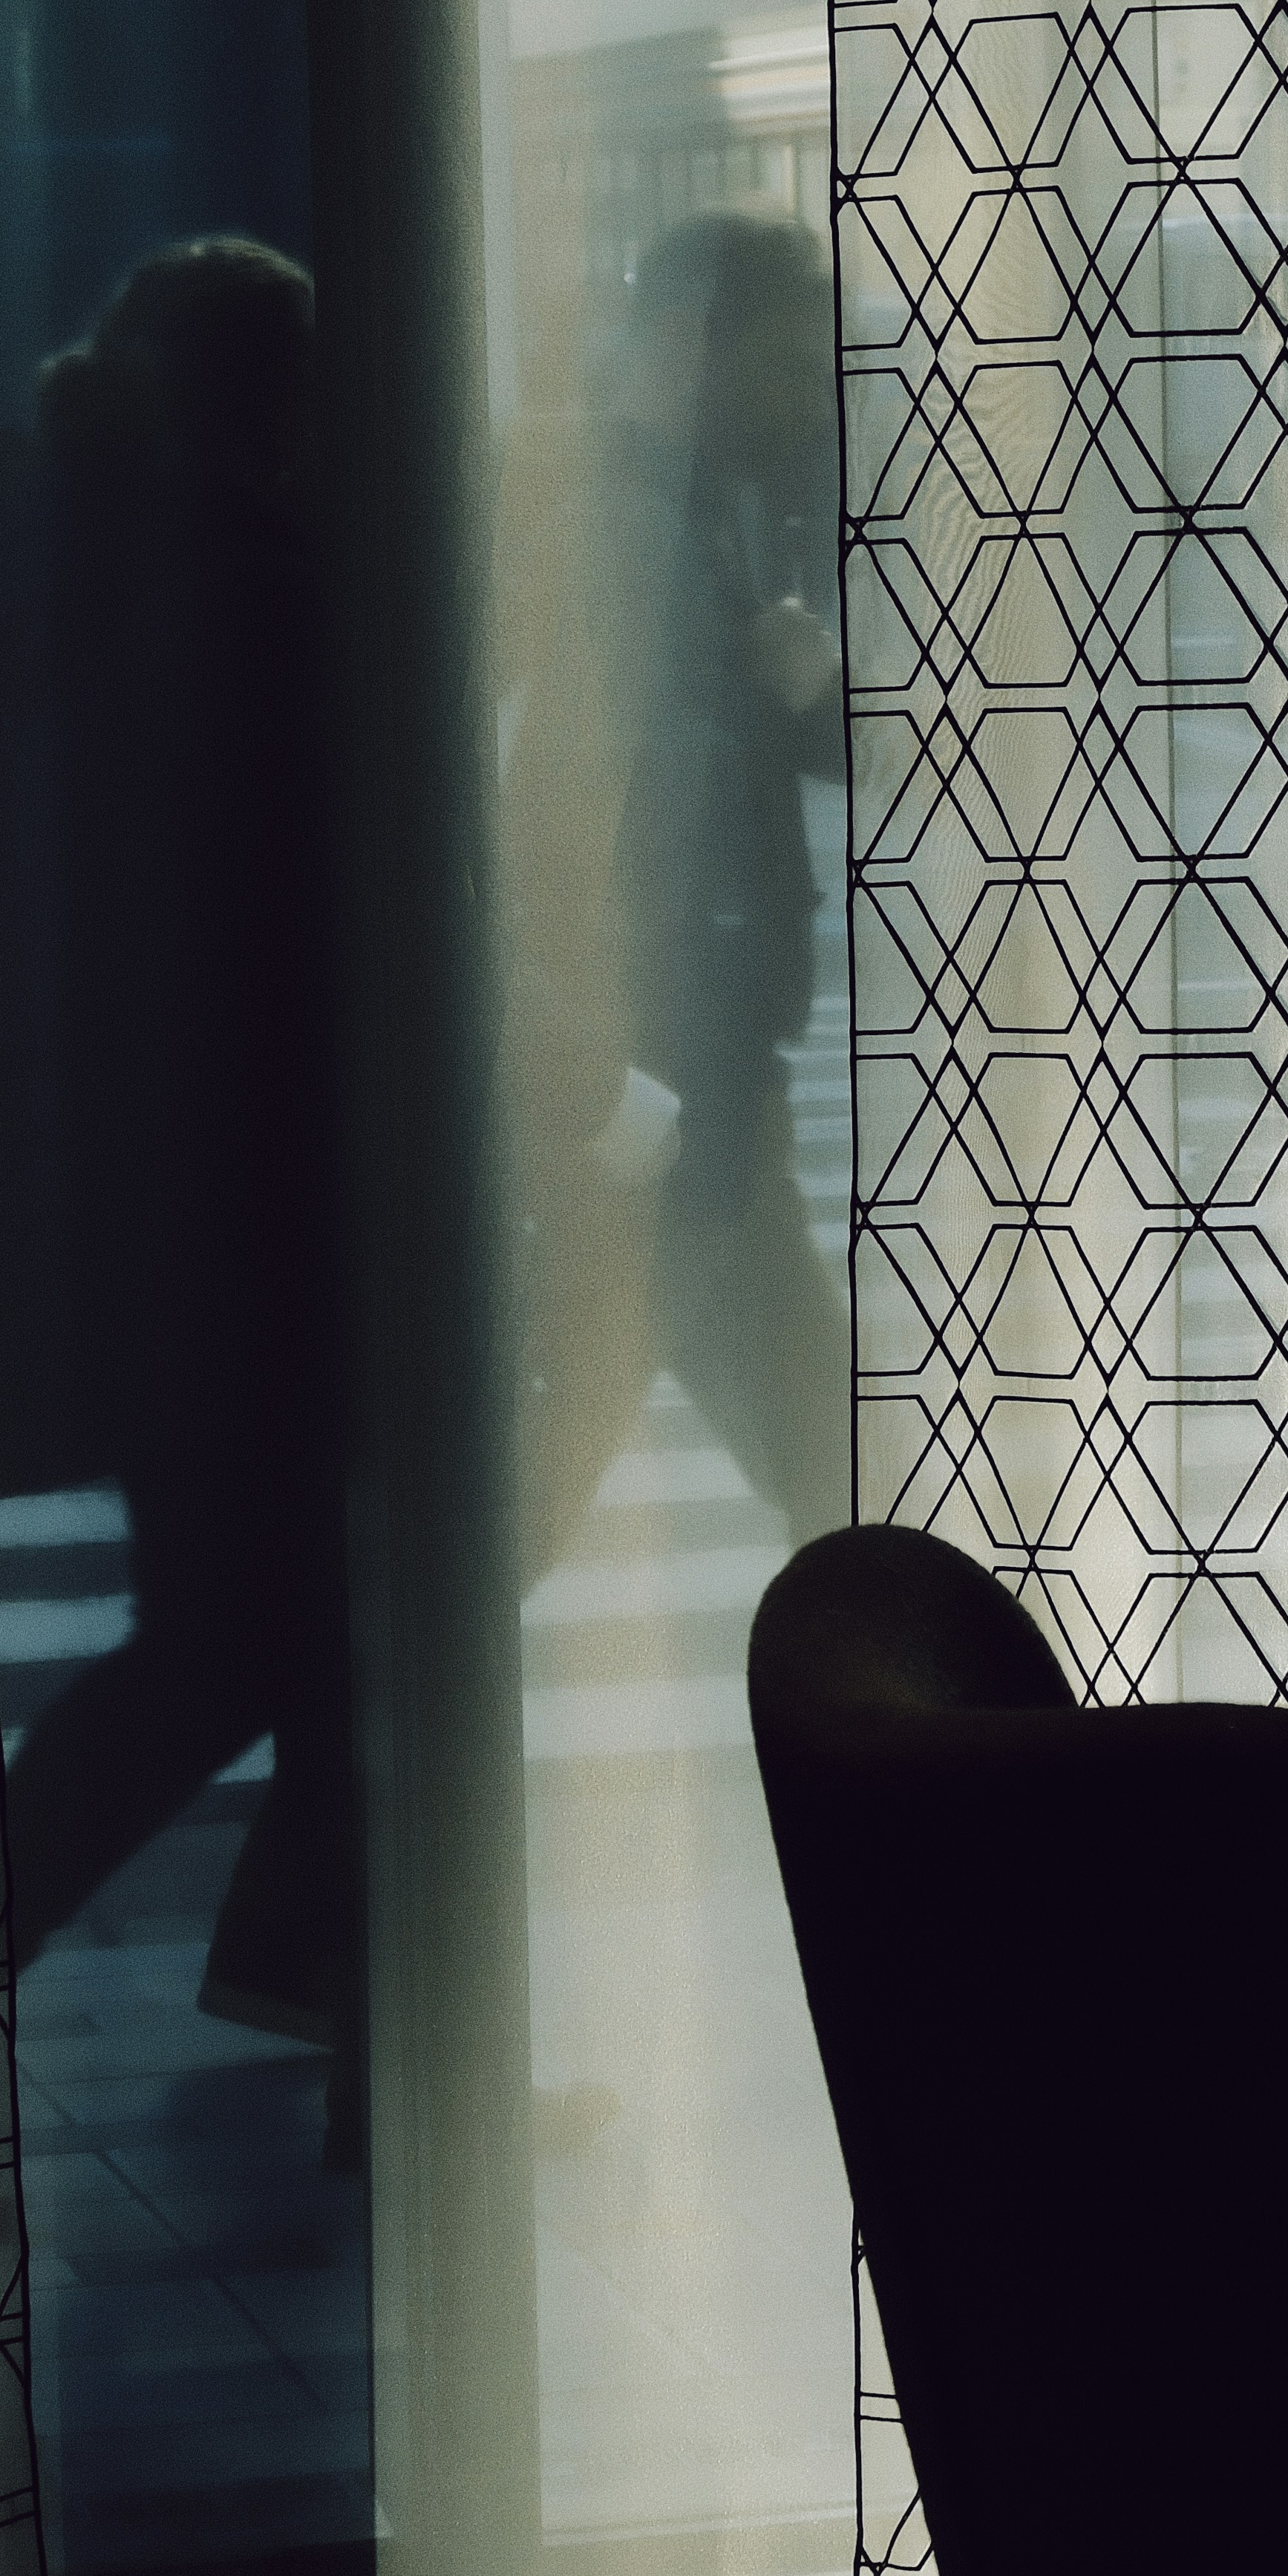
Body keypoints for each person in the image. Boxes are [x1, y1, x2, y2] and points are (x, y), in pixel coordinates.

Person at [0, 239, 354, 2050]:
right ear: (273, 408)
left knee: (308, 1630)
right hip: (250, 1246)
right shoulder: (250, 609)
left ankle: (354, 2007)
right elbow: (313, 947)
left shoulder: (100, 575)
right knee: (253, 1641)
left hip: (156, 1225)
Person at [508, 209, 850, 1569]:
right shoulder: (615, 529)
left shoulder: (705, 515)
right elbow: (558, 818)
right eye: (780, 363)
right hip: (657, 1088)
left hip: (680, 1089)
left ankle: (362, 1726)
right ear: (687, 348)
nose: (805, 396)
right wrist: (612, 1082)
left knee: (815, 1463)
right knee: (828, 1472)